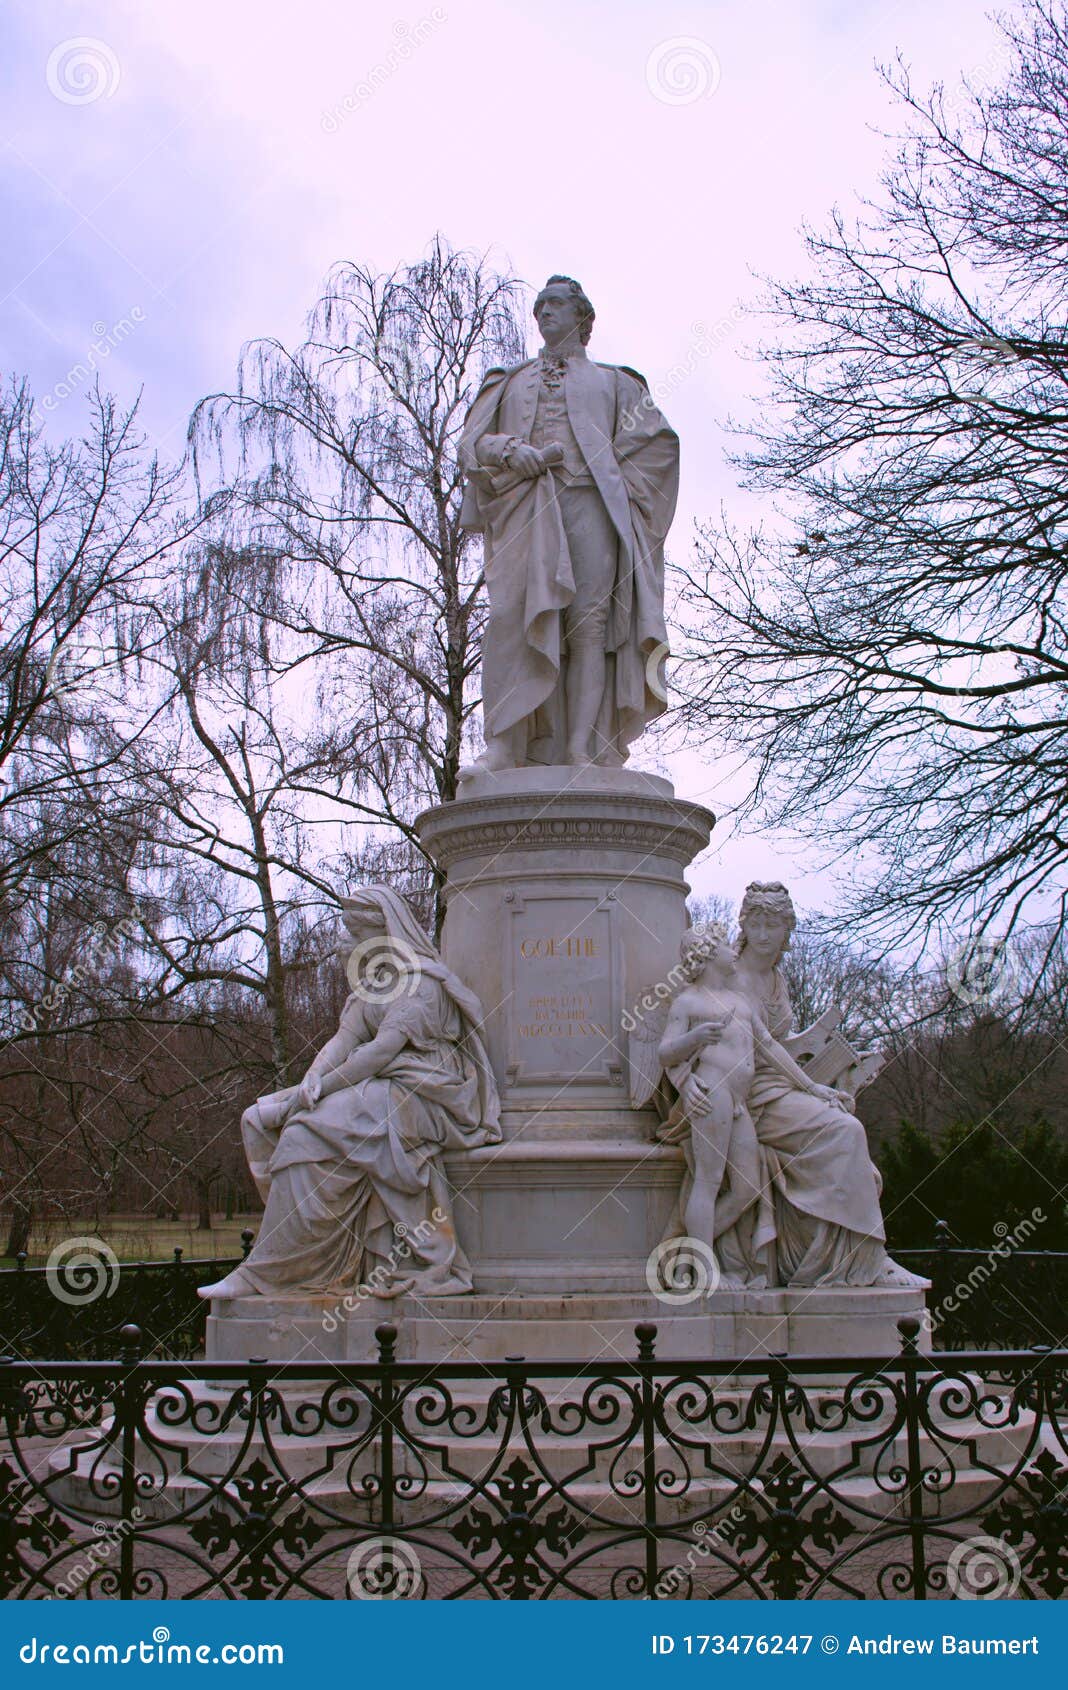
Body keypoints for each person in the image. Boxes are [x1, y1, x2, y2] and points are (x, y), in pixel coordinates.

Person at [198, 887, 501, 1301]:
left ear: (386, 931)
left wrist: (320, 1090)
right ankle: (290, 1266)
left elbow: (378, 1054)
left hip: (431, 1096)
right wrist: (311, 1079)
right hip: (389, 1086)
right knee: (277, 1120)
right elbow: (346, 1041)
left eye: (357, 932)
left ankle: (270, 1272)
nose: (349, 943)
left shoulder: (421, 985)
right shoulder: (377, 984)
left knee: (305, 1129)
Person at [458, 275, 679, 772]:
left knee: (589, 628)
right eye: (539, 306)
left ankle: (583, 748)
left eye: (555, 304)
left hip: (589, 506)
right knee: (512, 618)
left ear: (583, 318)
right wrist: (515, 453)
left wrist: (615, 480)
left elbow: (659, 445)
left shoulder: (617, 383)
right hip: (526, 510)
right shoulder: (508, 381)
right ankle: (506, 745)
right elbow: (472, 445)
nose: (544, 314)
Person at [725, 881, 925, 1288]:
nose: (763, 935)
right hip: (751, 1098)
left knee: (846, 1128)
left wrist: (822, 1073)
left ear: (788, 929)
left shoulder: (775, 978)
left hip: (782, 1087)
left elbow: (781, 1046)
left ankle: (847, 1259)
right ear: (744, 925)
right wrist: (813, 1086)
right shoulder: (733, 977)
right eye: (756, 923)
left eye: (773, 925)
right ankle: (868, 1260)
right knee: (844, 1131)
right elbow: (764, 1050)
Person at [658, 923, 851, 1289]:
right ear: (709, 954)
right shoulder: (688, 1002)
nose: (736, 950)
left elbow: (770, 1047)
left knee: (746, 1187)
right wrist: (695, 1038)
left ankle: (685, 1257)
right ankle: (705, 1272)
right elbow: (666, 1052)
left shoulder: (740, 1002)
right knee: (709, 1181)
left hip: (738, 1101)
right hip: (712, 1094)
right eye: (727, 946)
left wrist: (810, 1086)